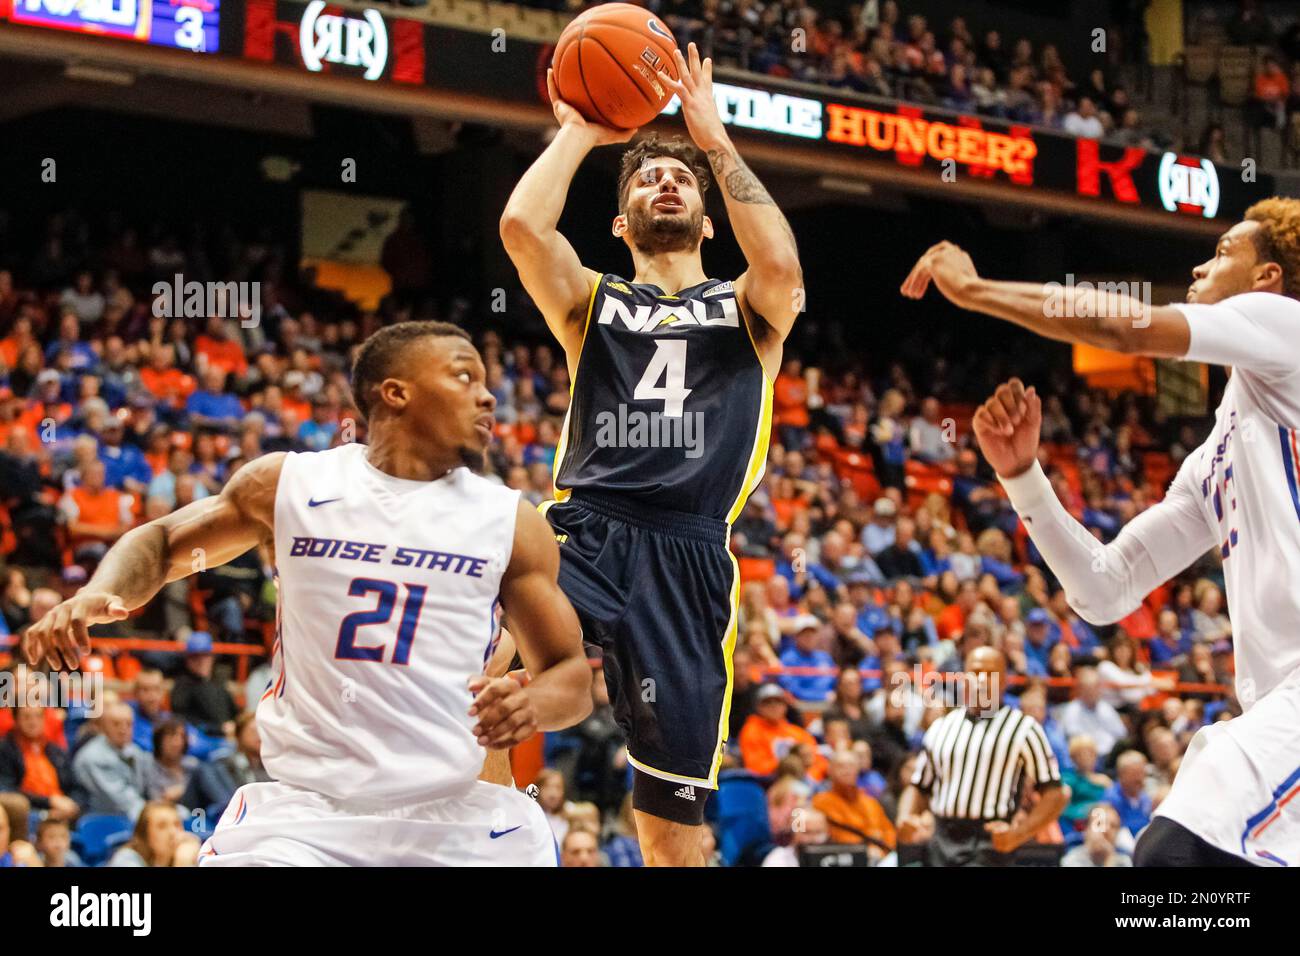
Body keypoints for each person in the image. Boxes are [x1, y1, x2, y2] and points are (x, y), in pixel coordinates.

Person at [23, 321, 592, 866]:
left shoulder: (508, 521)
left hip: (455, 820)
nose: (488, 398)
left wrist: (534, 704)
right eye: (465, 378)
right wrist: (97, 592)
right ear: (395, 393)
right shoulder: (292, 485)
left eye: (488, 382)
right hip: (306, 816)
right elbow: (164, 539)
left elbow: (569, 676)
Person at [904, 199, 1300, 865]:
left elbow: (1130, 330)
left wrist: (975, 290)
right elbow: (1104, 591)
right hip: (1275, 707)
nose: (1201, 263)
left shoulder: (1286, 325)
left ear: (1265, 278)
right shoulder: (1214, 457)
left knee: (1174, 856)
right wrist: (1024, 477)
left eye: (1225, 249)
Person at [499, 42, 802, 866]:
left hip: (690, 554)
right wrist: (581, 130)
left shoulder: (747, 307)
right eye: (644, 180)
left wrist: (714, 142)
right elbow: (523, 227)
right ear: (620, 222)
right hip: (584, 530)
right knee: (483, 685)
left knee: (671, 831)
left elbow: (780, 263)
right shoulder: (591, 298)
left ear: (710, 221)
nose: (664, 183)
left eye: (681, 182)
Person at [896, 647, 1066, 866]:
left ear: (1004, 681)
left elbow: (1055, 794)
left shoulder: (1024, 729)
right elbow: (918, 786)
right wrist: (905, 817)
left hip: (989, 839)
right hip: (941, 838)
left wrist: (1019, 834)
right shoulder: (941, 726)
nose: (982, 680)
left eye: (990, 673)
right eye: (976, 672)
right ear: (963, 677)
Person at [70, 701, 151, 821]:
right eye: (116, 724)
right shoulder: (93, 756)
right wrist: (152, 812)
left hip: (133, 813)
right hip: (101, 818)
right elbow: (120, 801)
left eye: (128, 724)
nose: (123, 729)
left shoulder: (134, 750)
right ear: (103, 727)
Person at [812, 750, 896, 860]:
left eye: (851, 766)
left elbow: (889, 831)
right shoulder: (820, 802)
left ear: (857, 770)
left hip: (882, 857)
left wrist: (885, 851)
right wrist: (864, 850)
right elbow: (835, 836)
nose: (847, 771)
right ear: (830, 770)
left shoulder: (871, 802)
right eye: (841, 766)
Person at [107, 801, 198, 867]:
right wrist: (182, 864)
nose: (173, 832)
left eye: (177, 824)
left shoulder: (186, 852)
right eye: (162, 826)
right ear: (145, 834)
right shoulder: (126, 859)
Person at [1061, 803, 1131, 867]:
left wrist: (1110, 859)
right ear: (1086, 829)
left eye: (1113, 826)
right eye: (1099, 824)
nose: (1106, 830)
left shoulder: (1125, 861)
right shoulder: (1072, 859)